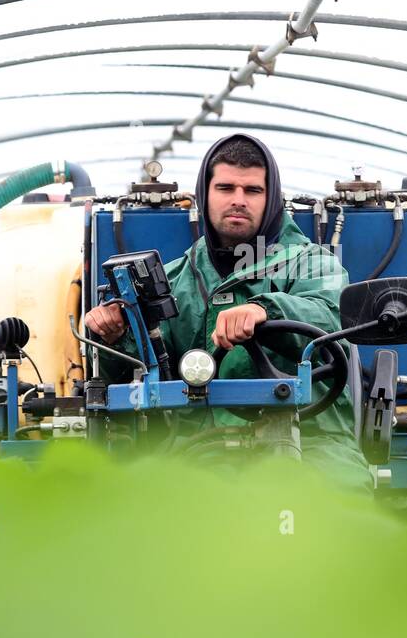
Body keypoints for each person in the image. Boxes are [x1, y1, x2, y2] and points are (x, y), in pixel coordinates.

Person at [83, 133, 369, 488]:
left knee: (340, 510)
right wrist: (114, 339)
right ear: (204, 195)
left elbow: (332, 319)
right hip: (197, 451)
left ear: (272, 198)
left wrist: (265, 310)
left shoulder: (312, 264)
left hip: (310, 442)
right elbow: (132, 376)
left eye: (252, 191)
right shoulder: (173, 280)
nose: (238, 201)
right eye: (225, 188)